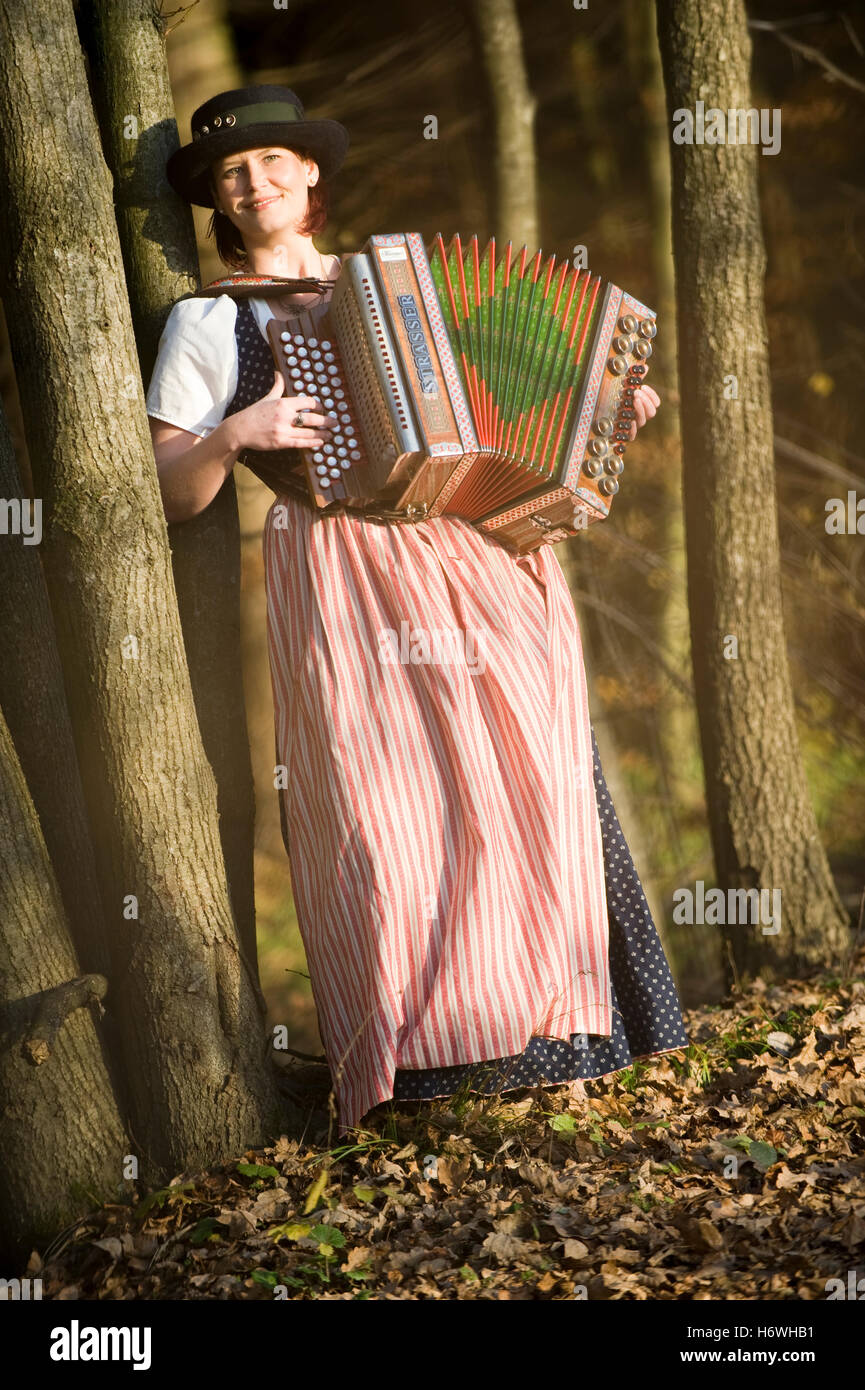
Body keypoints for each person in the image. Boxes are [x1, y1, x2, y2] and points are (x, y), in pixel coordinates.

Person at [147, 84, 688, 1135]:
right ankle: (426, 1054)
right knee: (386, 803)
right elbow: (173, 487)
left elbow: (541, 397)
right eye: (230, 172)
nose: (254, 181)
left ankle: (571, 1025)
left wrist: (614, 407)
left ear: (308, 175)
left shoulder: (401, 281)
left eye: (271, 162)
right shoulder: (211, 321)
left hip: (473, 549)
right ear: (217, 198)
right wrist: (237, 430)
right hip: (342, 560)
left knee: (531, 772)